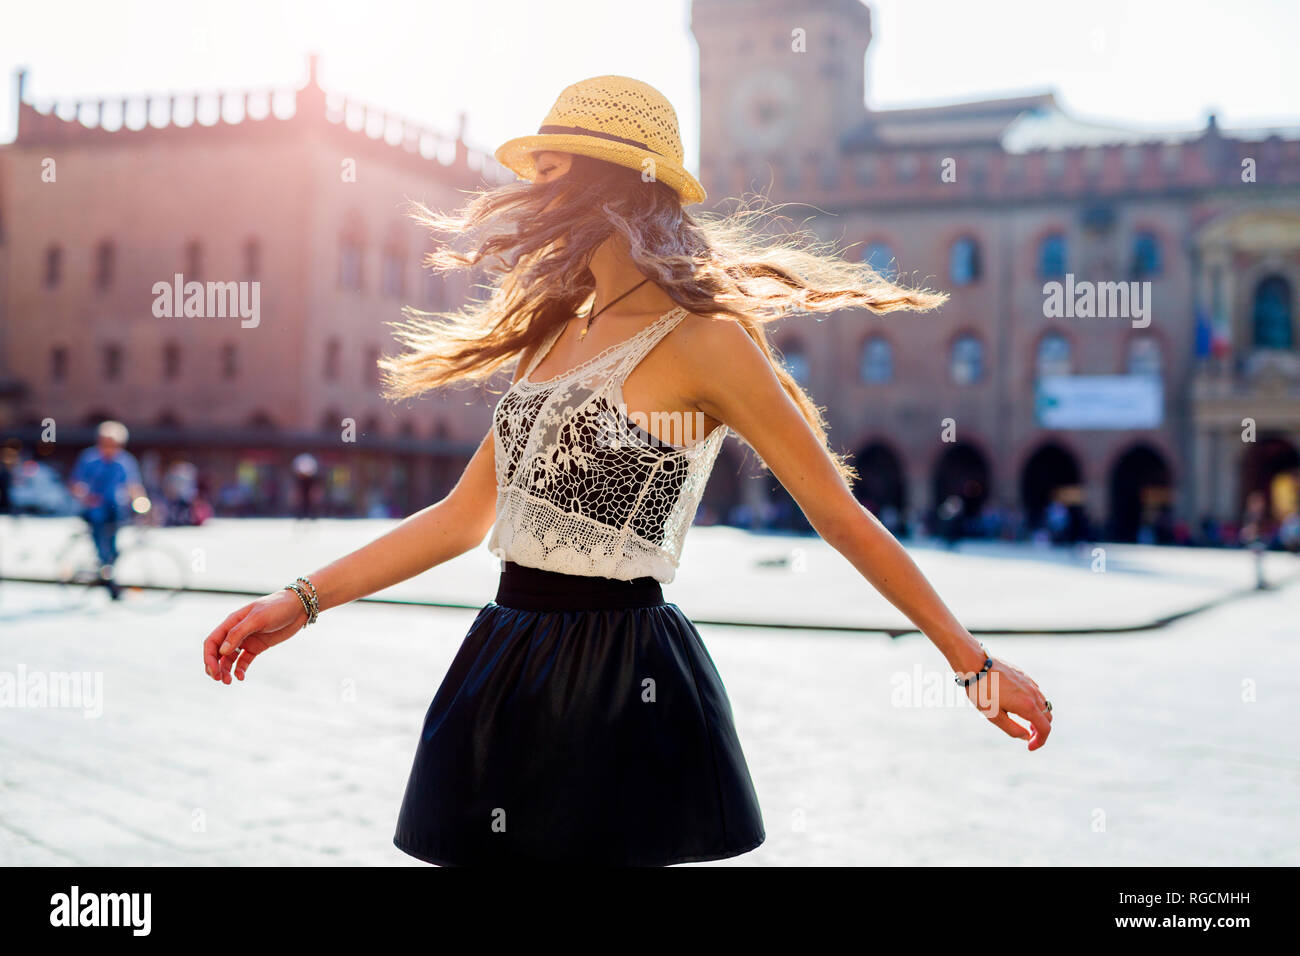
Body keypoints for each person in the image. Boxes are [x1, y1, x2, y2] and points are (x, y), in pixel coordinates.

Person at [202, 75, 1052, 866]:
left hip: (621, 674)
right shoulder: (555, 330)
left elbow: (837, 515)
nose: (532, 189)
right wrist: (302, 600)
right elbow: (464, 516)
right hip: (505, 656)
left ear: (606, 184)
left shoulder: (705, 341)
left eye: (549, 169)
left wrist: (969, 662)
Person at [70, 421, 146, 599]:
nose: (108, 448)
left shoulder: (125, 461)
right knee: (102, 546)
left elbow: (133, 486)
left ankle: (108, 575)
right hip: (95, 511)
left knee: (113, 548)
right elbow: (75, 484)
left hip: (116, 511)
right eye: (104, 443)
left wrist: (142, 505)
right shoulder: (89, 458)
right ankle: (108, 580)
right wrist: (86, 497)